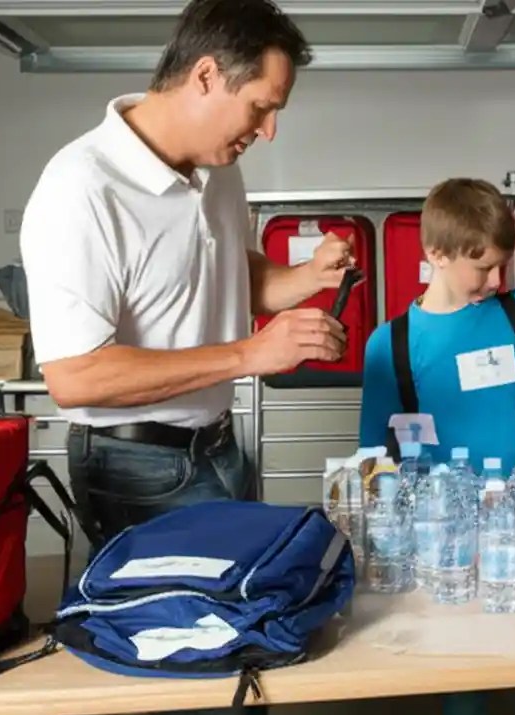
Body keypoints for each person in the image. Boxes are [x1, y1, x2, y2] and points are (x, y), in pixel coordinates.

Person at [20, 0, 349, 567]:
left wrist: (305, 279)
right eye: (260, 108)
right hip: (136, 468)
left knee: (242, 619)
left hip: (218, 446)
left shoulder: (219, 169)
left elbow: (222, 275)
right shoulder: (81, 188)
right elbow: (75, 376)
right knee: (183, 640)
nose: (268, 131)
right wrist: (250, 353)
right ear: (205, 76)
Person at [357, 178, 515, 715]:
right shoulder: (392, 344)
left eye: (504, 265)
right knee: (462, 684)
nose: (497, 280)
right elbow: (374, 461)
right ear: (435, 253)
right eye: (483, 268)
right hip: (445, 539)